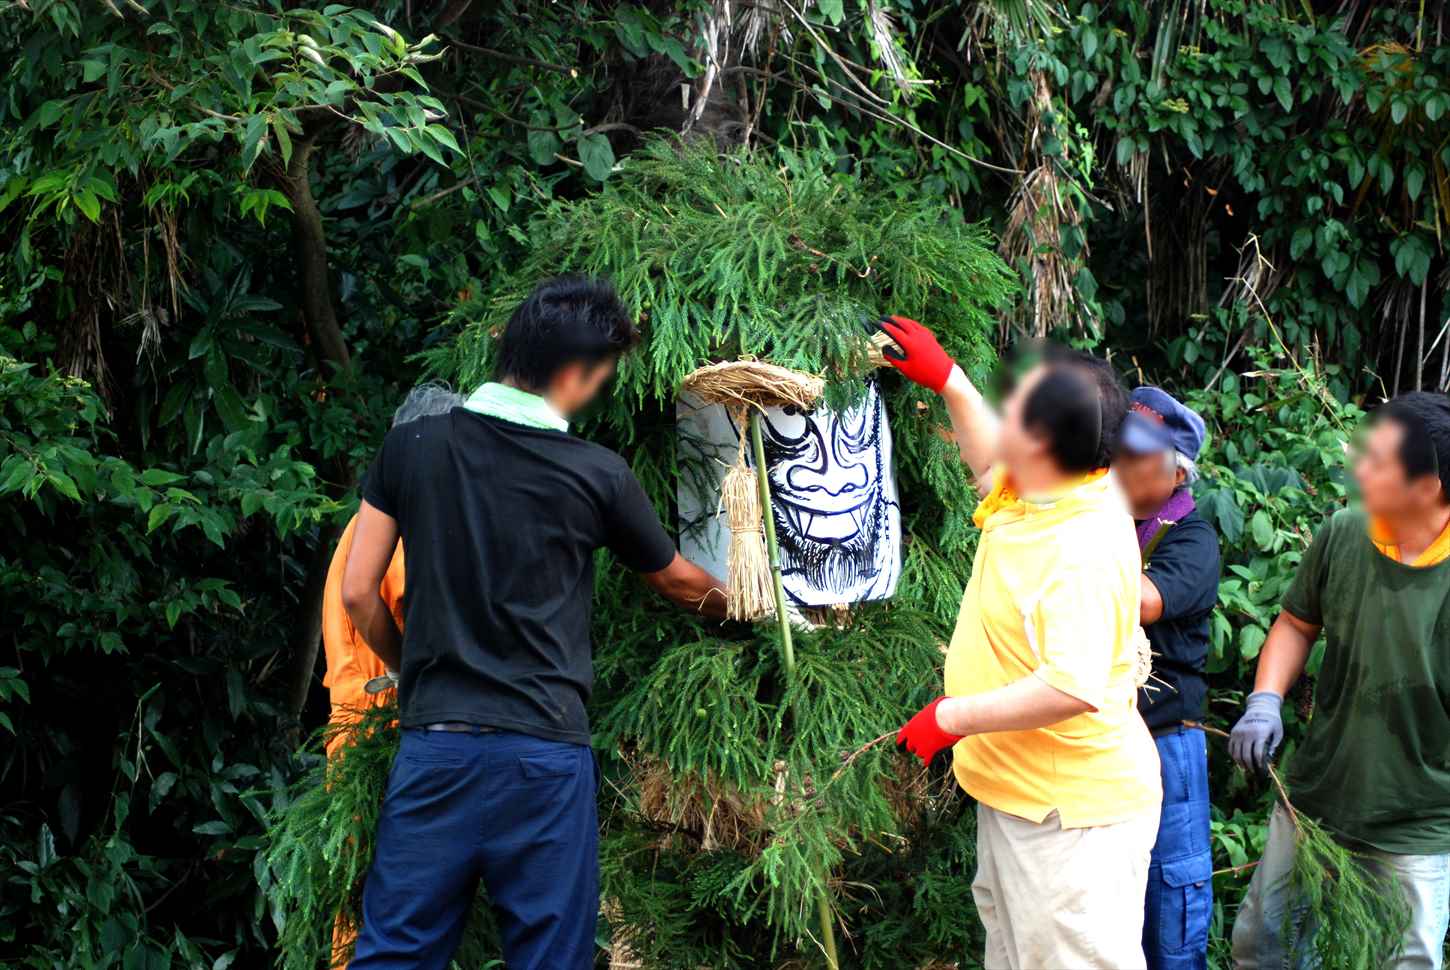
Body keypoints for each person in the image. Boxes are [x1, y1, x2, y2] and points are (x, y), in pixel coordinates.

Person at [343, 276, 728, 970]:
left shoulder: (413, 447)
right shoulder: (597, 475)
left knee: (394, 958)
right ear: (576, 374)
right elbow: (676, 579)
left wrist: (412, 672)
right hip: (543, 762)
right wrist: (753, 599)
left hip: (437, 750)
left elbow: (357, 594)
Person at [884, 318, 1161, 970]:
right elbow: (988, 467)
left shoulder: (1084, 543)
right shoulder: (1046, 491)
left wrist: (952, 717)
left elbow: (1074, 684)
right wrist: (949, 379)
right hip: (1020, 799)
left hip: (1074, 823)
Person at [1228, 391, 1450, 970]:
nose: (1359, 466)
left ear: (1428, 487)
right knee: (1262, 944)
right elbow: (1296, 623)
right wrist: (1265, 701)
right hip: (1318, 793)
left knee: (1408, 959)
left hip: (1418, 818)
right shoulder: (1346, 532)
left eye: (1379, 460)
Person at [317, 384, 462, 967]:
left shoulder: (364, 526)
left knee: (361, 906)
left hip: (353, 732)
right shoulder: (402, 528)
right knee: (390, 912)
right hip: (387, 735)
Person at [1114, 386, 1220, 970]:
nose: (1119, 466)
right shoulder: (1107, 521)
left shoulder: (1191, 537)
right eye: (1117, 451)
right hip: (1104, 742)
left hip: (1166, 742)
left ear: (1176, 472)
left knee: (1172, 908)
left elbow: (1147, 601)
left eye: (1136, 456)